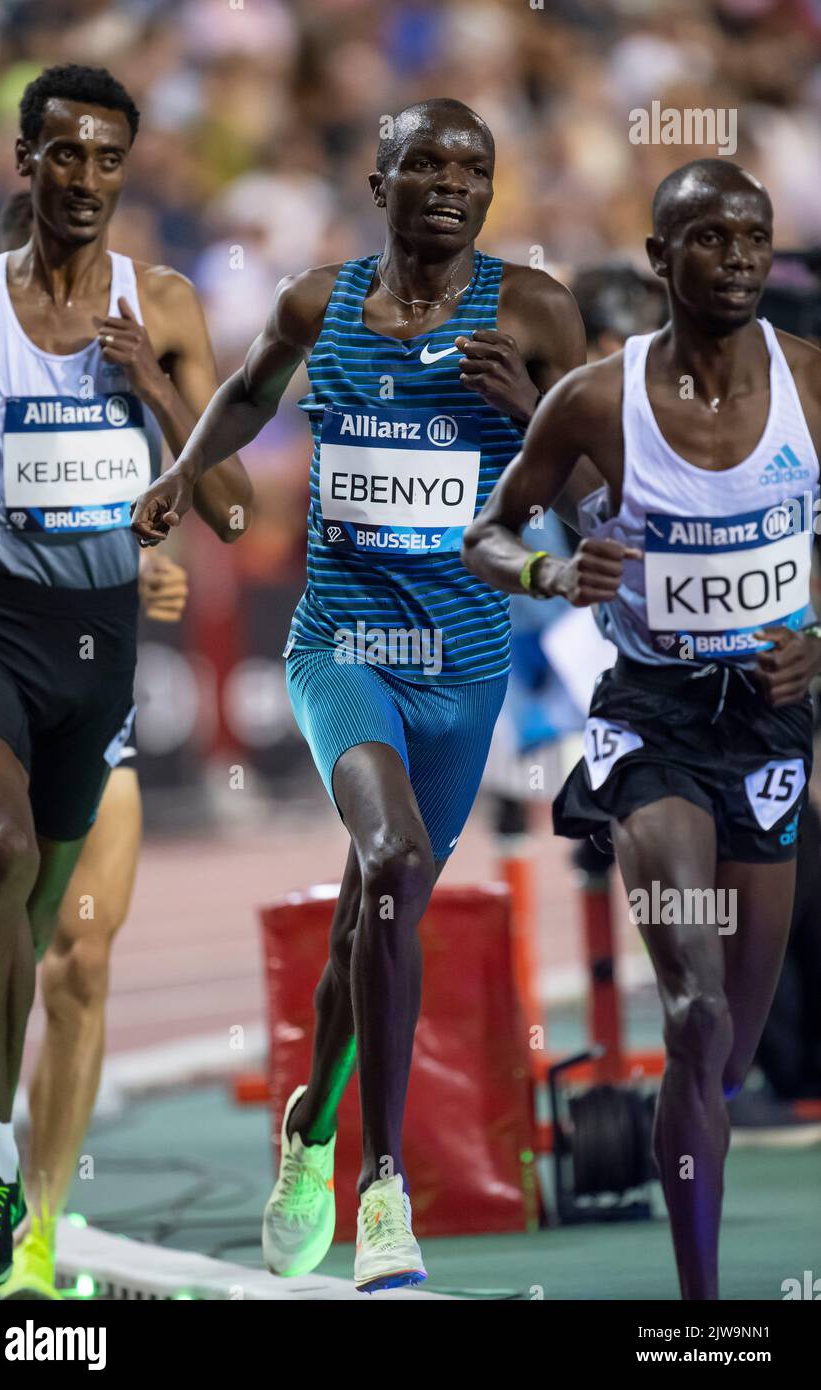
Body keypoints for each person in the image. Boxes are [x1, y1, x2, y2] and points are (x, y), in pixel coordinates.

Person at [131, 98, 586, 1291]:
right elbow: (245, 389)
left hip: (465, 662)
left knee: (365, 926)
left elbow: (595, 485)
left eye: (470, 167)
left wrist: (521, 412)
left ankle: (311, 1124)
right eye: (423, 163)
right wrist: (183, 473)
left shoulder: (532, 311)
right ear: (376, 176)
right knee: (388, 861)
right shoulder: (314, 302)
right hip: (342, 643)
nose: (448, 181)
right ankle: (383, 1186)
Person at [462, 157, 821, 1300]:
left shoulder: (810, 380)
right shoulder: (593, 399)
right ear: (659, 260)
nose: (738, 258)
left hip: (766, 731)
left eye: (753, 237)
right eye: (708, 239)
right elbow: (487, 531)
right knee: (695, 1007)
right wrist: (551, 569)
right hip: (648, 726)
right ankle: (698, 1308)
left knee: (720, 1056)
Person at [0, 63, 251, 1285]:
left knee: (64, 946)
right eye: (62, 155)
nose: (84, 179)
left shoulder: (167, 304)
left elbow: (229, 507)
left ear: (129, 170)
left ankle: (36, 1231)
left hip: (100, 643)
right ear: (23, 161)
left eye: (107, 159)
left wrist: (154, 386)